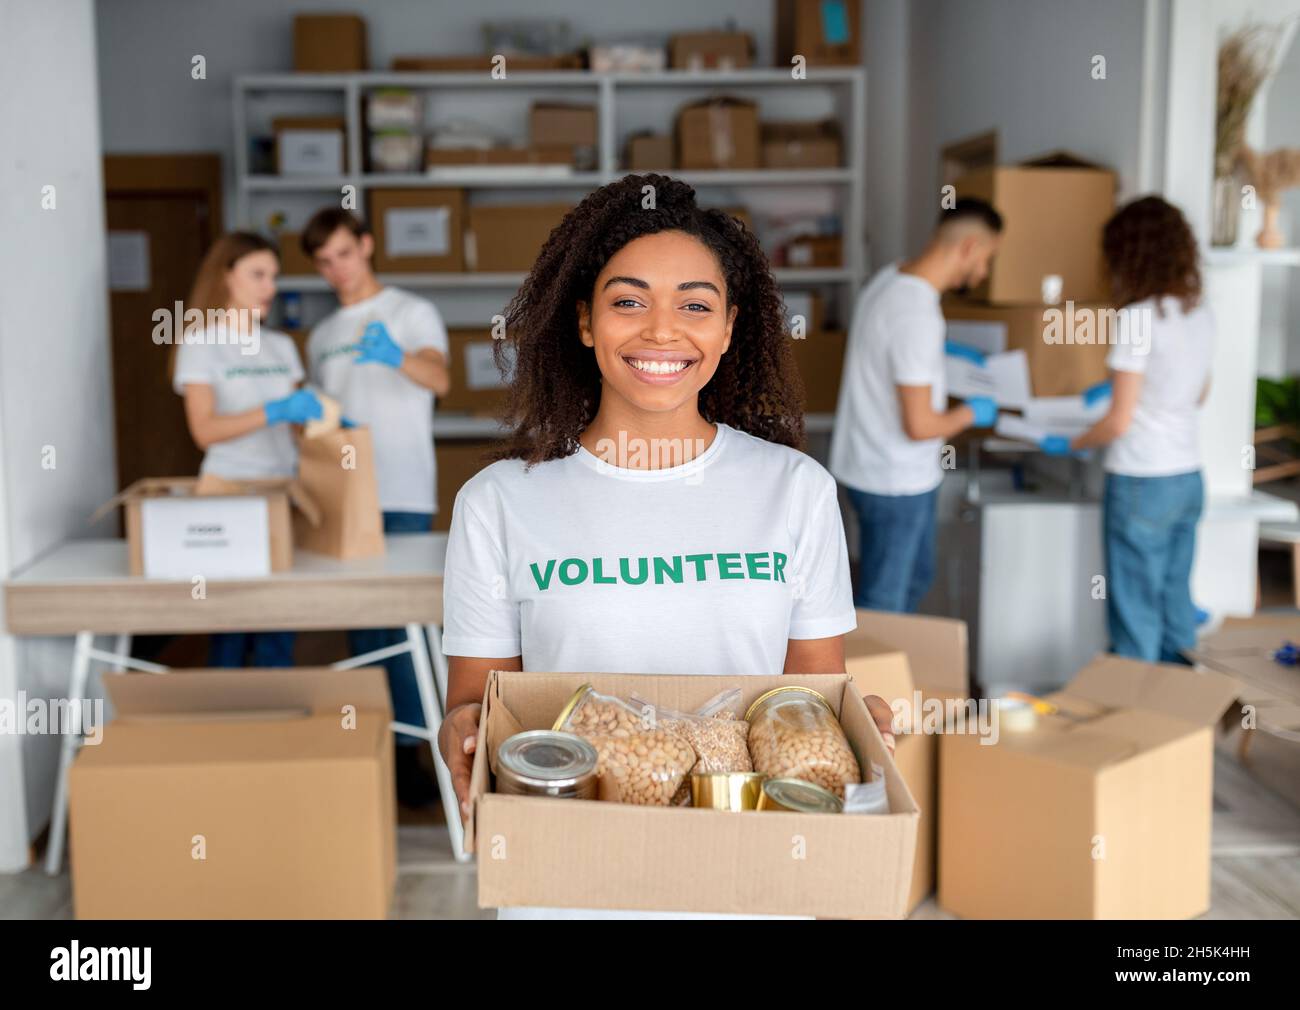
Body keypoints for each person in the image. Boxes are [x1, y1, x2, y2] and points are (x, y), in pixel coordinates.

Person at [436, 173, 898, 919]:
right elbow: (476, 703)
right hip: (572, 885)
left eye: (694, 305)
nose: (661, 330)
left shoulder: (796, 489)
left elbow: (807, 698)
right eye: (627, 301)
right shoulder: (500, 504)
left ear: (727, 327)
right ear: (584, 321)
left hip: (751, 886)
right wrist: (462, 731)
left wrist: (851, 728)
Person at [301, 208, 452, 806]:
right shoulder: (321, 335)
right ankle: (382, 754)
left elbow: (438, 379)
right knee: (364, 631)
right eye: (322, 261)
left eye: (343, 253)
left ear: (366, 245)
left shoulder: (410, 312)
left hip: (403, 489)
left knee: (408, 625)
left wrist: (396, 356)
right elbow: (322, 415)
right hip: (343, 495)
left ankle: (426, 755)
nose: (335, 269)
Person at [1051, 197, 1212, 663]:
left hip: (1142, 479)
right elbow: (1198, 394)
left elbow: (1118, 421)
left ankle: (1138, 726)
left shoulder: (1137, 318)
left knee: (1135, 613)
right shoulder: (1200, 313)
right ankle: (1181, 723)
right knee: (1175, 604)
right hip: (1188, 476)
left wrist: (1072, 441)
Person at [828, 198, 1004, 614]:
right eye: (987, 259)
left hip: (869, 466)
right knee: (886, 599)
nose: (983, 273)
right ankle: (872, 678)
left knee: (914, 578)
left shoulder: (890, 280)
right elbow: (921, 425)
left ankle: (883, 666)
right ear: (968, 248)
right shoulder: (916, 314)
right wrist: (971, 413)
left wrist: (942, 351)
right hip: (895, 479)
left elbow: (892, 350)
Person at [173, 231, 321, 667]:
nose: (269, 288)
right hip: (227, 493)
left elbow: (299, 428)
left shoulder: (279, 345)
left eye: (273, 276)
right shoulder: (201, 344)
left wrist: (320, 419)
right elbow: (204, 431)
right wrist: (272, 409)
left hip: (282, 490)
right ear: (225, 276)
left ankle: (275, 730)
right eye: (257, 274)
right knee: (231, 623)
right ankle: (229, 725)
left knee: (279, 619)